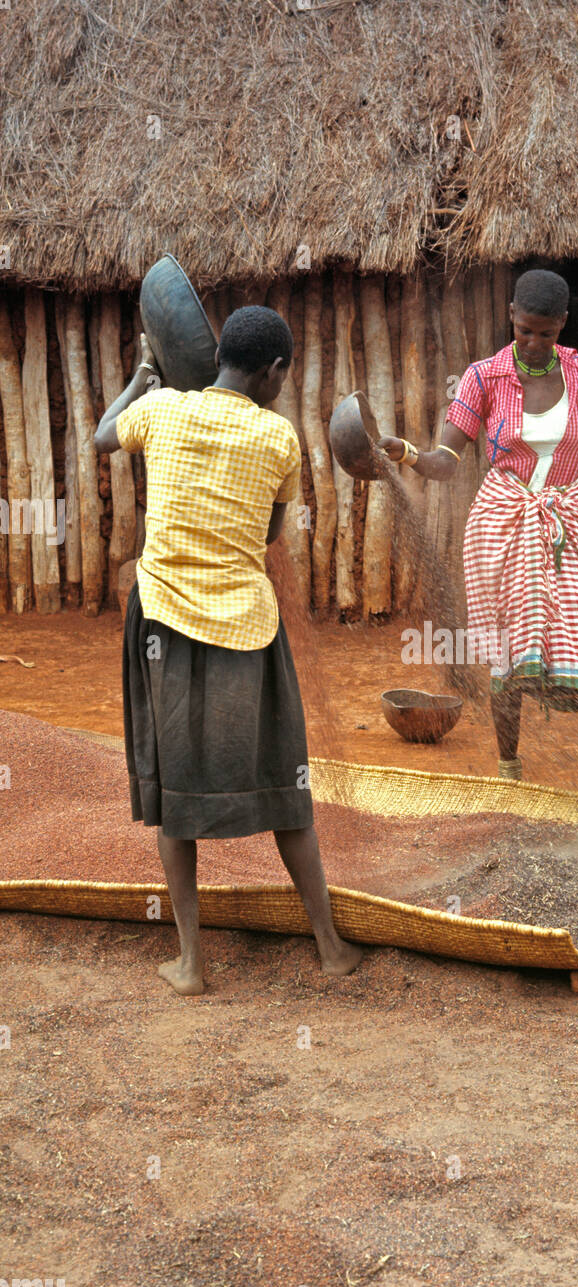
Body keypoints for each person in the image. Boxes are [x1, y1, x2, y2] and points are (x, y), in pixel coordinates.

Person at [94, 306, 363, 994]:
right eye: (284, 374)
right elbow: (270, 532)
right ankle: (330, 947)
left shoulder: (161, 411)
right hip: (247, 629)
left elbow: (101, 437)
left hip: (163, 623)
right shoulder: (279, 439)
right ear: (273, 371)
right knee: (286, 785)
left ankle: (191, 963)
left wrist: (139, 380)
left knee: (173, 794)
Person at [378, 268, 578, 795]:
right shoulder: (482, 377)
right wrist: (405, 453)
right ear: (511, 317)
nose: (536, 342)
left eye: (547, 332)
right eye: (526, 330)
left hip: (572, 520)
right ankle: (509, 769)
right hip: (503, 525)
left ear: (563, 323)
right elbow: (447, 461)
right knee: (508, 651)